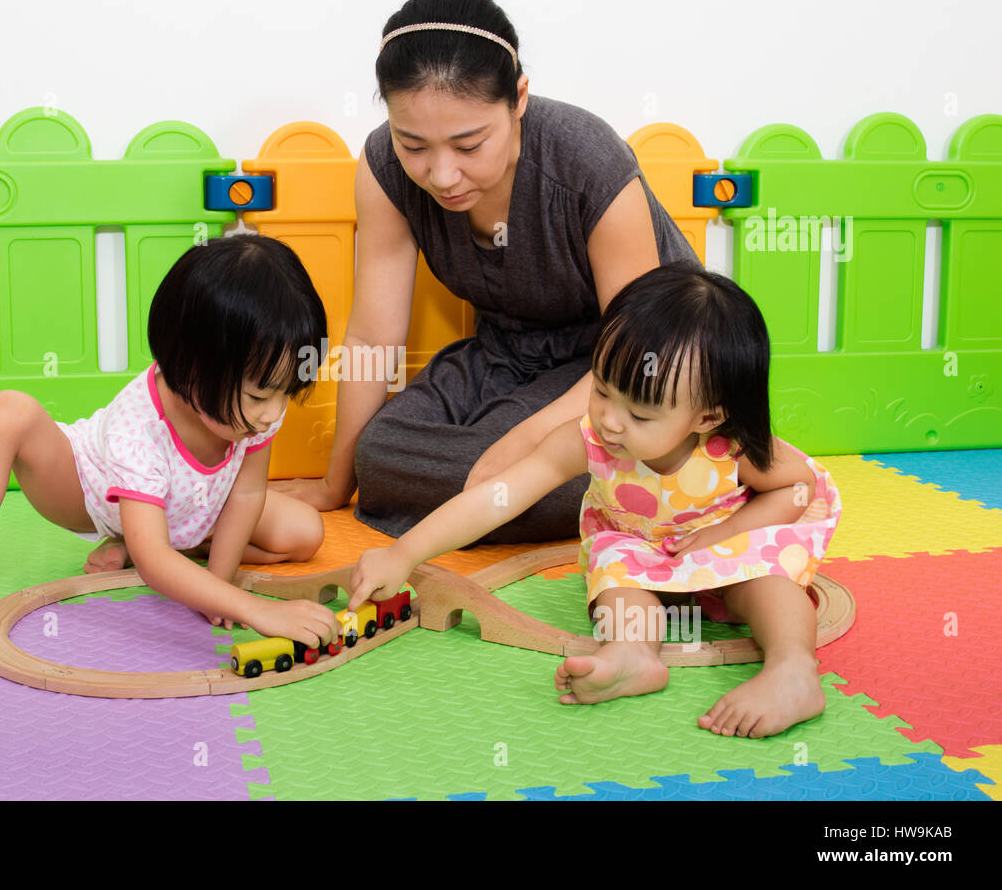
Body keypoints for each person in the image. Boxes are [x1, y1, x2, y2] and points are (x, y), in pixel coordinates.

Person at [272, 0, 701, 543]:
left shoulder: (586, 158)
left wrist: (521, 450)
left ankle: (621, 477)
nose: (441, 176)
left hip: (626, 372)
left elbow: (637, 350)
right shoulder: (382, 166)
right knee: (379, 454)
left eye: (470, 145)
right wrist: (335, 484)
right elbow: (373, 336)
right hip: (507, 354)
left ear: (518, 98)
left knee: (523, 460)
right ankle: (585, 491)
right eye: (413, 145)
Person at [347, 263, 843, 738]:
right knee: (615, 570)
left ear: (707, 418)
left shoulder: (731, 447)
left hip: (728, 541)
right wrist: (403, 552)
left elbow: (795, 489)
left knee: (768, 577)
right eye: (602, 391)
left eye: (640, 416)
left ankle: (793, 671)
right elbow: (498, 499)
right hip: (642, 548)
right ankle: (632, 653)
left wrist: (724, 533)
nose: (610, 421)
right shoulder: (585, 441)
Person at [0, 235, 340, 664]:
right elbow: (152, 566)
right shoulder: (141, 427)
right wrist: (253, 607)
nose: (274, 412)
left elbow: (244, 494)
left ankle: (180, 549)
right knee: (6, 413)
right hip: (91, 490)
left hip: (191, 506)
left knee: (305, 533)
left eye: (287, 390)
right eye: (261, 396)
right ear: (191, 370)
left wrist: (219, 587)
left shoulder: (257, 405)